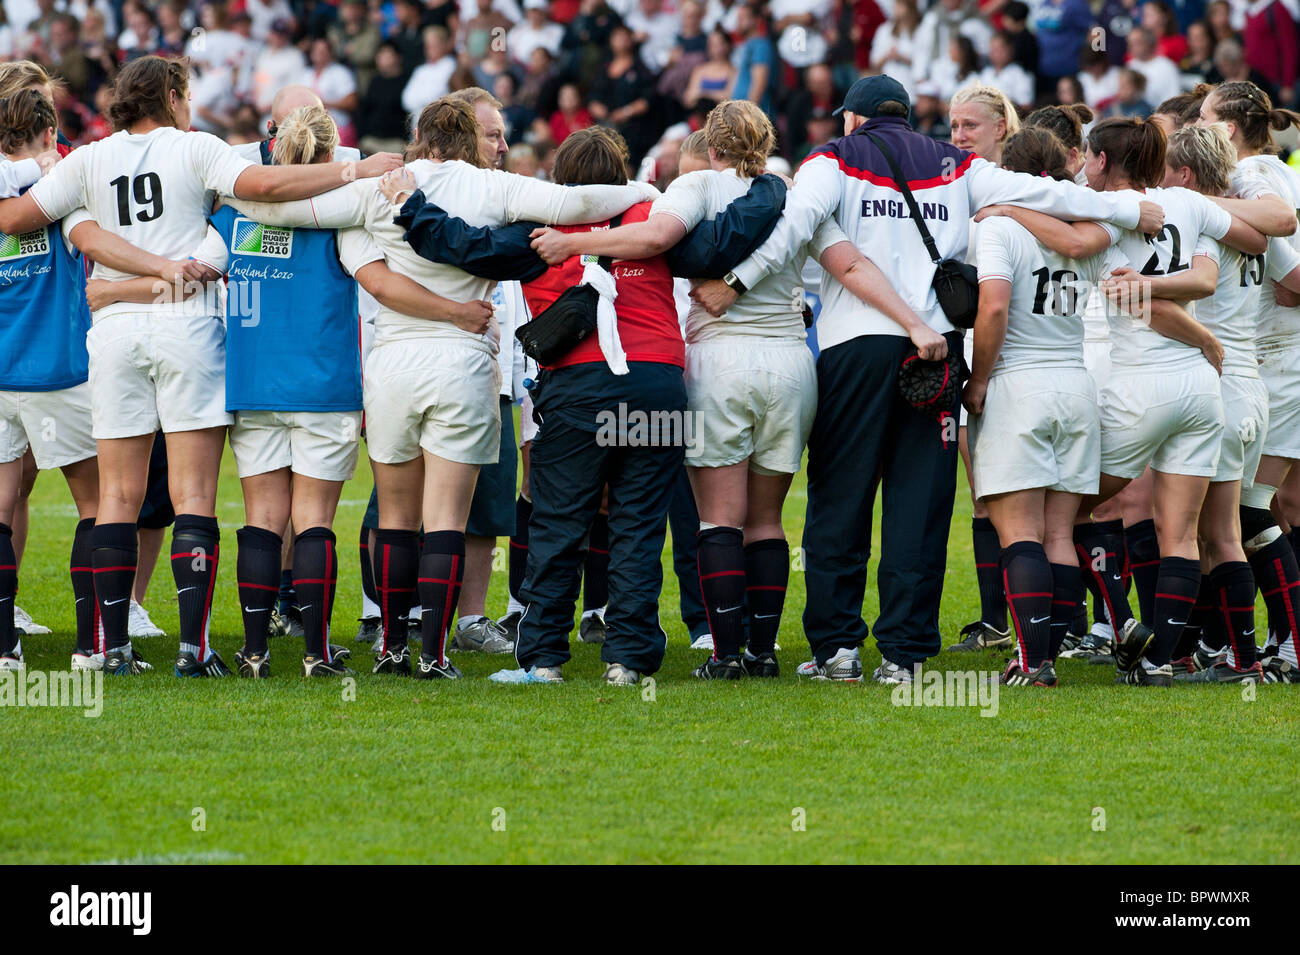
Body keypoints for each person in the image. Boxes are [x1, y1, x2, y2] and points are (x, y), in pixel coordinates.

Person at [689, 75, 1161, 684]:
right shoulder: (956, 163)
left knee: (841, 498)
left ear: (854, 121)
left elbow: (792, 230)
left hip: (855, 348)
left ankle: (837, 648)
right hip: (937, 352)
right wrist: (1129, 208)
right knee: (920, 506)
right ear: (908, 118)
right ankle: (906, 654)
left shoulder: (831, 159)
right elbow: (1043, 195)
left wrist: (736, 283)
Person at [0, 55, 404, 678]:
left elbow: (15, 219)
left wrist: (32, 175)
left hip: (113, 336)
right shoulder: (196, 148)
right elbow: (263, 187)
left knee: (116, 496)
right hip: (188, 329)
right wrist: (354, 166)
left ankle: (112, 649)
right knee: (193, 494)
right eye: (188, 92)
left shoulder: (86, 160)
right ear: (172, 95)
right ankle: (194, 649)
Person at [224, 98, 654, 681]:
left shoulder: (380, 188)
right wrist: (645, 195)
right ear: (470, 139)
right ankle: (434, 655)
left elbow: (288, 212)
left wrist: (225, 192)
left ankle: (392, 648)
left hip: (394, 360)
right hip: (463, 358)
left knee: (397, 517)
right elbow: (575, 202)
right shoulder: (492, 186)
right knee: (448, 516)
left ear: (420, 137)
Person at [528, 101, 843, 679]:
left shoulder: (645, 207)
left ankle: (553, 659)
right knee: (665, 522)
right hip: (709, 376)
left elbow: (656, 239)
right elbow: (848, 264)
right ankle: (671, 656)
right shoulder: (787, 196)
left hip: (652, 374)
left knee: (569, 520)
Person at [963, 127, 1117, 686]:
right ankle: (1045, 656)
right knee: (1058, 534)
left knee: (1019, 532)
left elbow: (995, 309)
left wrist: (978, 380)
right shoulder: (1086, 230)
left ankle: (1033, 662)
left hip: (1018, 384)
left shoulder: (998, 226)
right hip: (1075, 384)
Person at [1199, 81, 1300, 681]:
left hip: (1275, 360)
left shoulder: (1254, 176)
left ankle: (1289, 642)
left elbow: (1293, 279)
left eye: (1206, 118)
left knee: (1249, 509)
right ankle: (1258, 641)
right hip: (1271, 359)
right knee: (1268, 508)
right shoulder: (1269, 169)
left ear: (1229, 129)